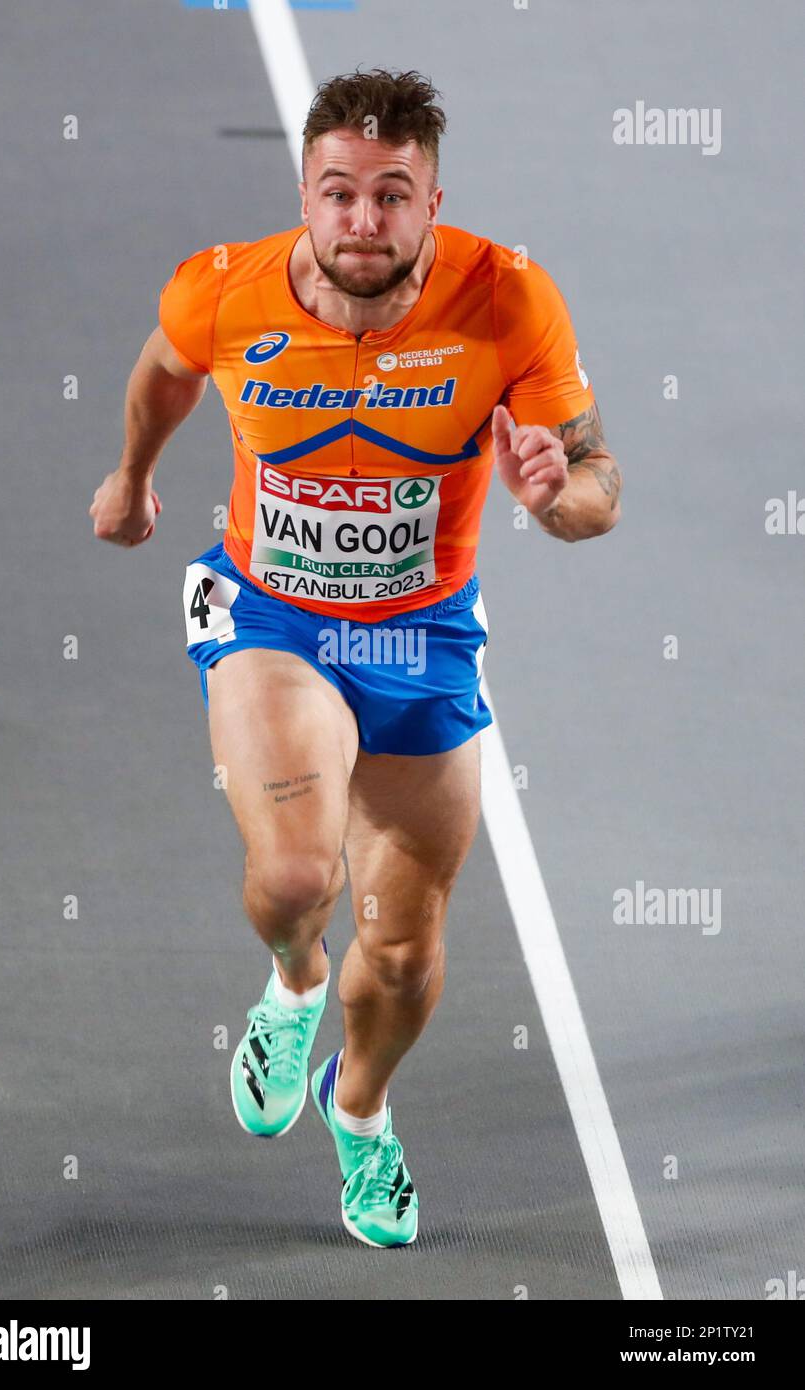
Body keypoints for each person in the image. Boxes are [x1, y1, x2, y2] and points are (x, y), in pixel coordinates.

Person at [89, 68, 622, 1249]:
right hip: (270, 618)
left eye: (392, 196)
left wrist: (554, 494)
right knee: (294, 882)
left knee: (401, 944)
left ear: (433, 200)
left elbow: (597, 490)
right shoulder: (223, 290)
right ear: (306, 196)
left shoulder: (509, 301)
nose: (362, 221)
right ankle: (289, 986)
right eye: (339, 194)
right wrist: (131, 478)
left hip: (423, 637)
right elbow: (165, 372)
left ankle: (360, 1106)